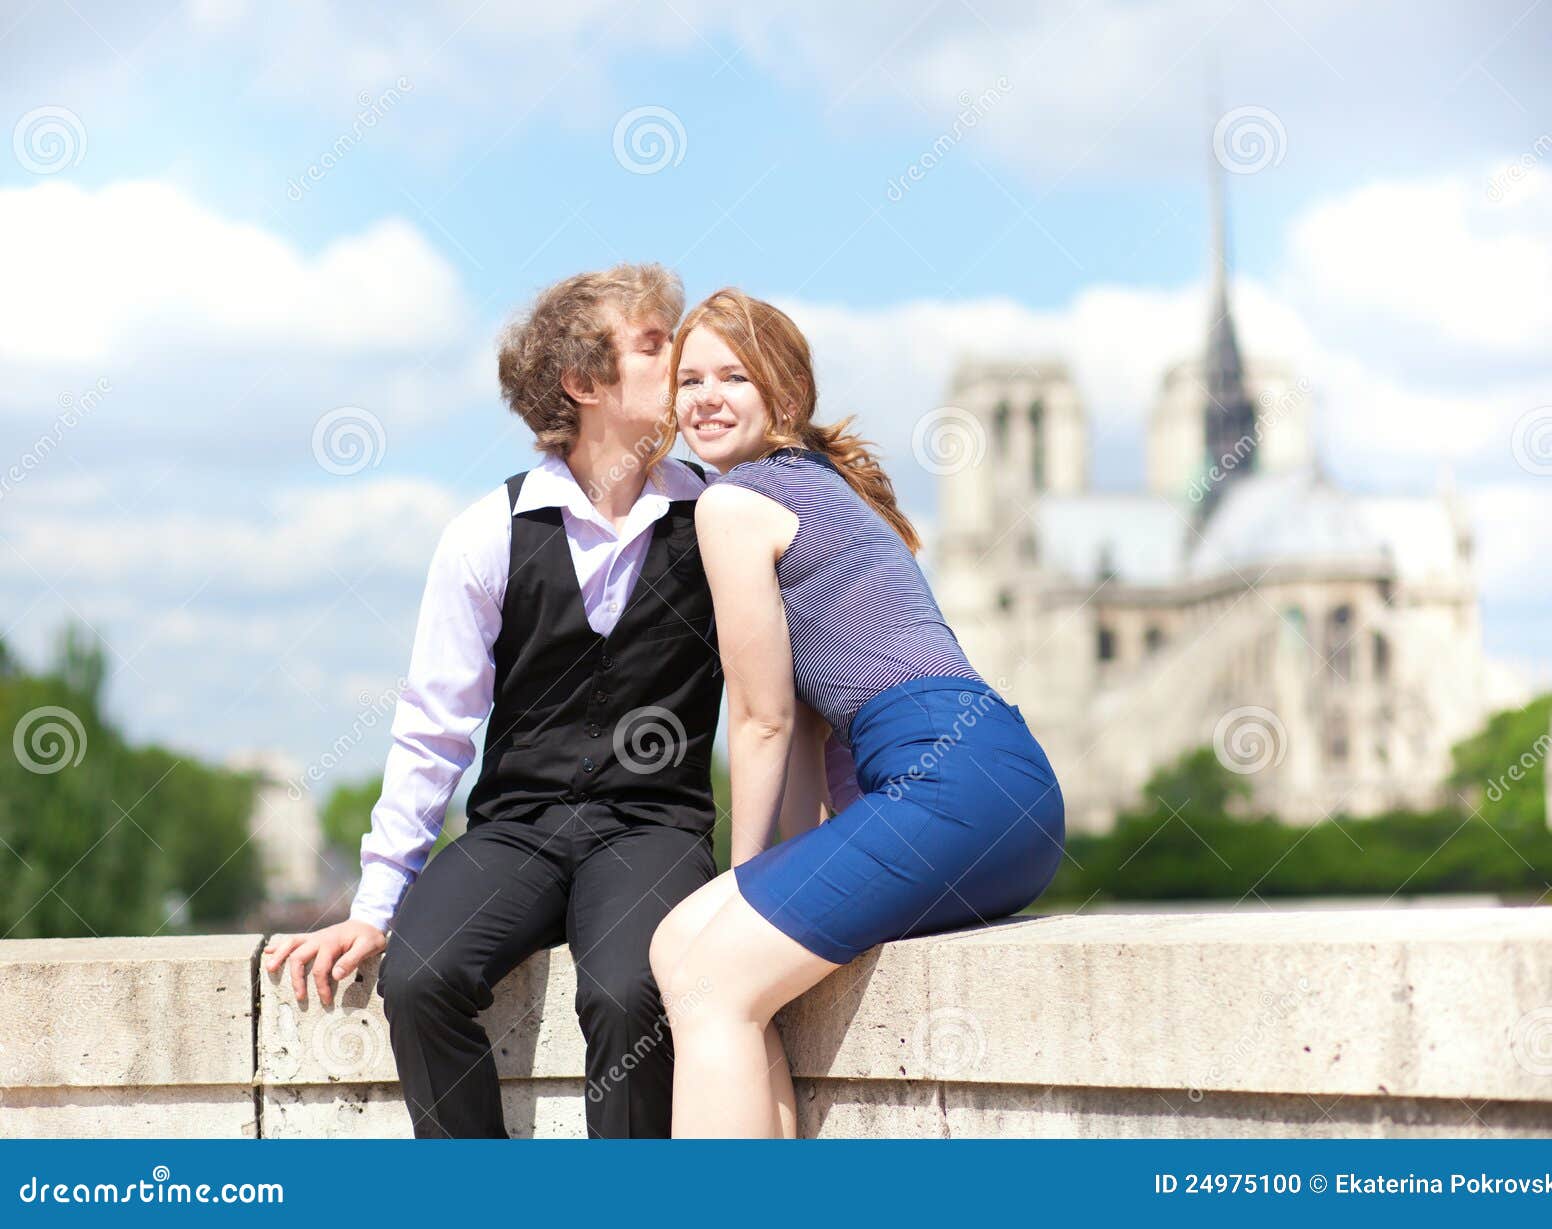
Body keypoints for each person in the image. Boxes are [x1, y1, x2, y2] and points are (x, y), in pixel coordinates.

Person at [264, 262, 724, 1139]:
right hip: (519, 827)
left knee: (630, 993)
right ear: (582, 380)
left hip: (655, 827)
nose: (683, 360)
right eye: (655, 344)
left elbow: (783, 696)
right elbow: (434, 731)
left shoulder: (716, 514)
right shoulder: (486, 533)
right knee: (420, 977)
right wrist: (374, 905)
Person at [646, 288, 1067, 1138]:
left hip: (947, 786)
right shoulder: (826, 487)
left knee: (711, 977)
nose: (706, 398)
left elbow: (761, 719)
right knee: (678, 943)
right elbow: (804, 739)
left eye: (734, 376)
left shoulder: (732, 503)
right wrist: (762, 886)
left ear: (785, 393)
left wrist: (744, 880)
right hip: (1004, 787)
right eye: (690, 380)